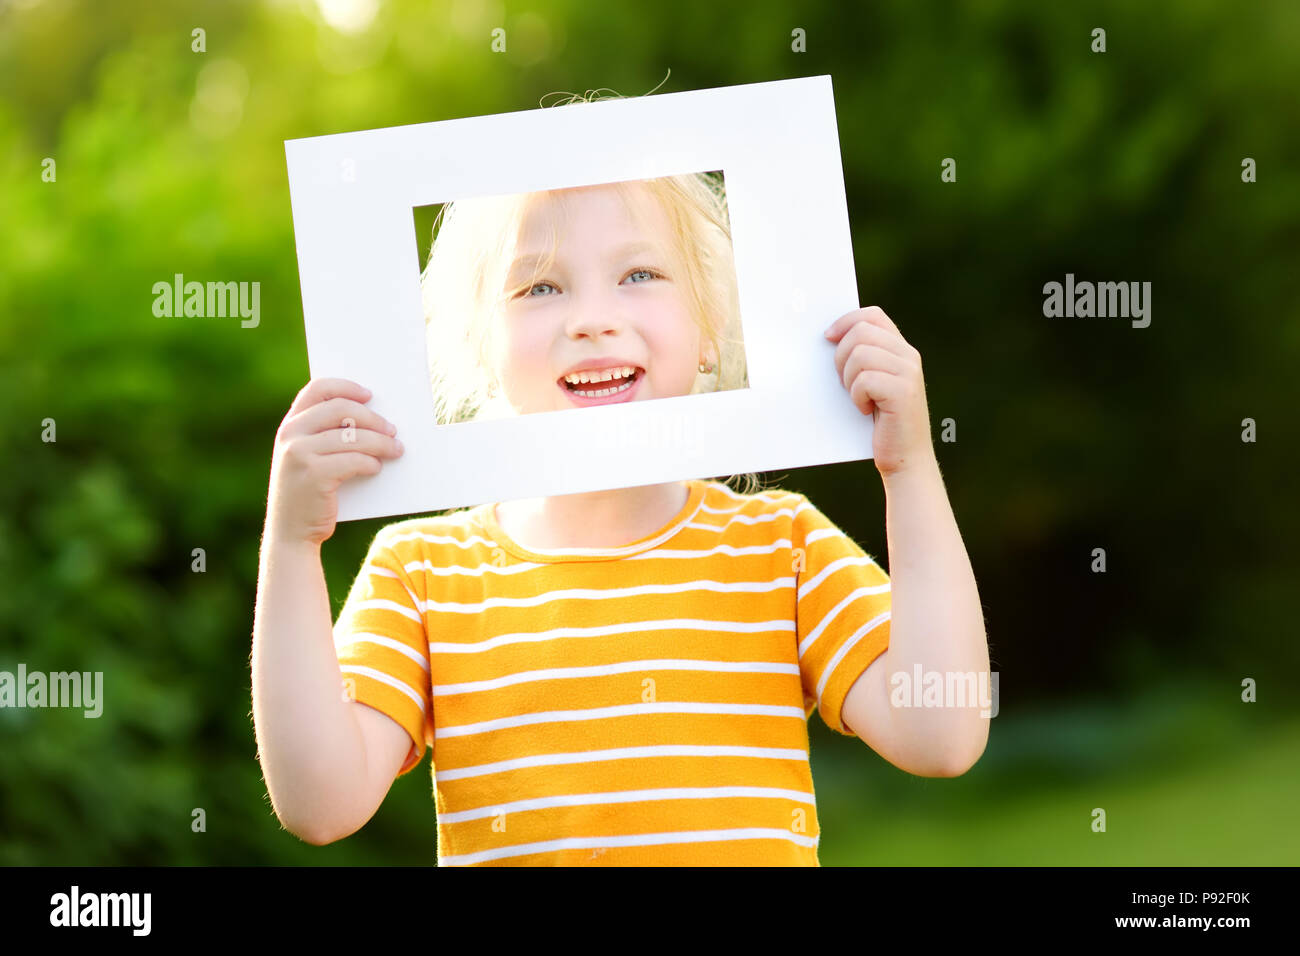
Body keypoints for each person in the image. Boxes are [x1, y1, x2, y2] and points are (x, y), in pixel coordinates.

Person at [251, 171, 990, 866]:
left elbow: (942, 734)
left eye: (639, 275)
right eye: (540, 285)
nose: (592, 320)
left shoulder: (780, 547)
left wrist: (910, 469)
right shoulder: (421, 572)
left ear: (712, 327)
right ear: (481, 349)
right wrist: (291, 544)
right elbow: (321, 804)